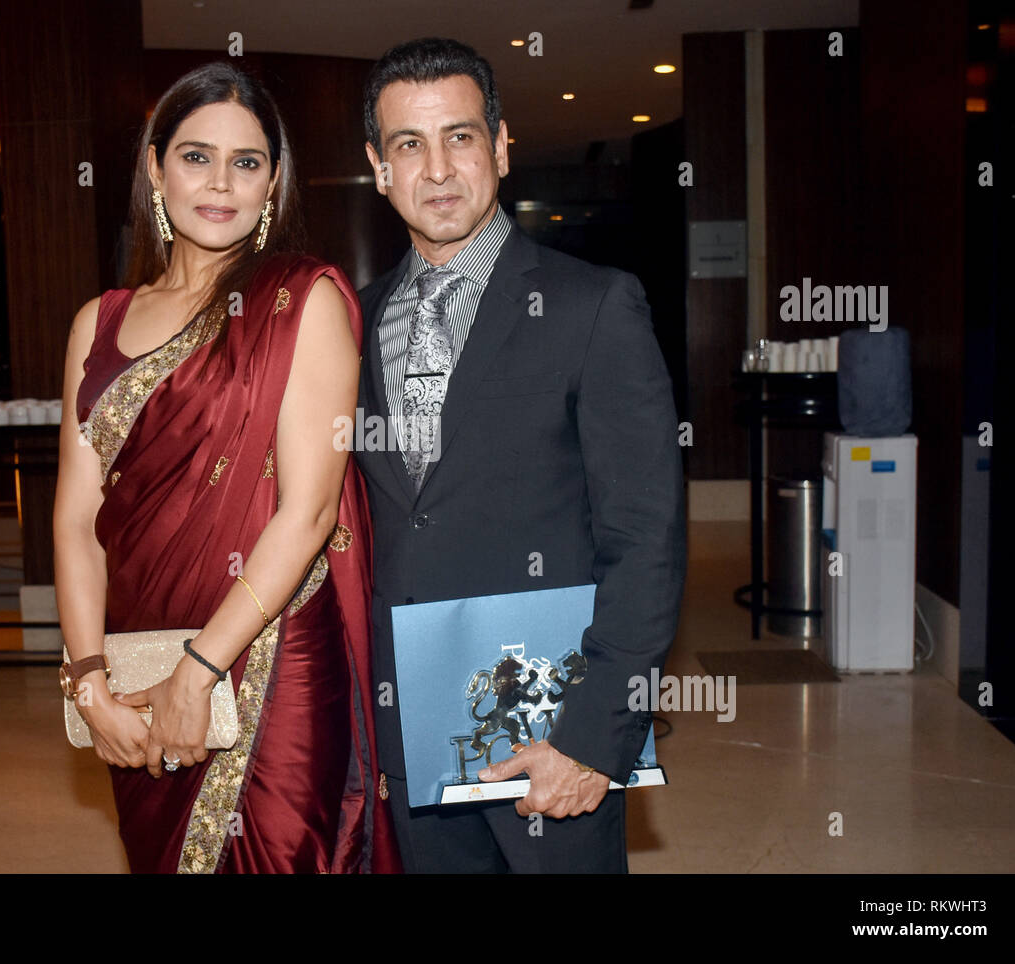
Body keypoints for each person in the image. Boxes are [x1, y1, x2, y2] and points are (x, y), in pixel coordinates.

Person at [53, 61, 399, 874]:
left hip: (268, 654)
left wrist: (199, 671)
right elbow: (75, 521)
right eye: (196, 156)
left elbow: (309, 513)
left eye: (246, 162)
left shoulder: (300, 300)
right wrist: (89, 682)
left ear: (272, 180)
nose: (220, 183)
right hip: (135, 656)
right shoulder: (96, 322)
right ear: (154, 167)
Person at [354, 38, 686, 873]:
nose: (436, 169)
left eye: (460, 137)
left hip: (554, 734)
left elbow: (646, 539)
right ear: (378, 167)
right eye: (408, 145)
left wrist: (596, 736)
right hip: (410, 742)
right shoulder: (345, 325)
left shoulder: (593, 306)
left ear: (500, 147)